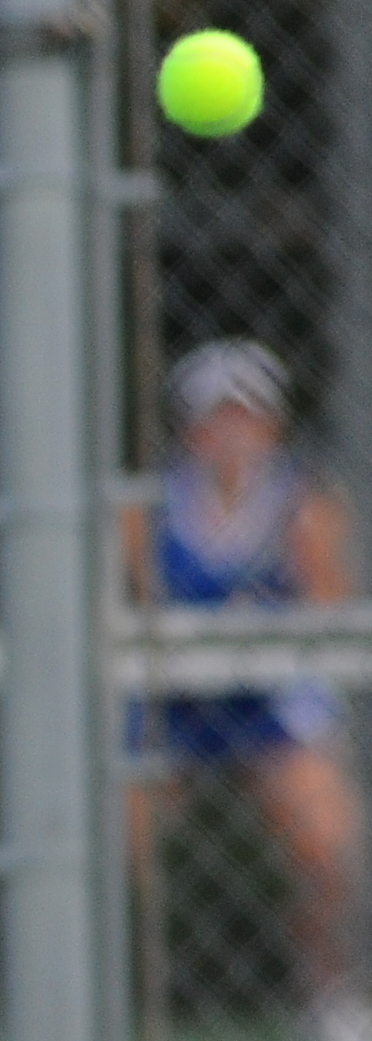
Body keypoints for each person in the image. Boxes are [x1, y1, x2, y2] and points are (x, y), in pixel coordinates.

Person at [122, 340, 370, 1041]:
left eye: (248, 416)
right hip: (179, 696)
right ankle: (111, 991)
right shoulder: (149, 504)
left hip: (267, 697)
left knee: (330, 845)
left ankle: (330, 999)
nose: (232, 433)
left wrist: (264, 624)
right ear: (189, 428)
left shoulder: (302, 503)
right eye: (217, 417)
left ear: (272, 426)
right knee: (110, 837)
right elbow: (137, 608)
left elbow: (325, 608)